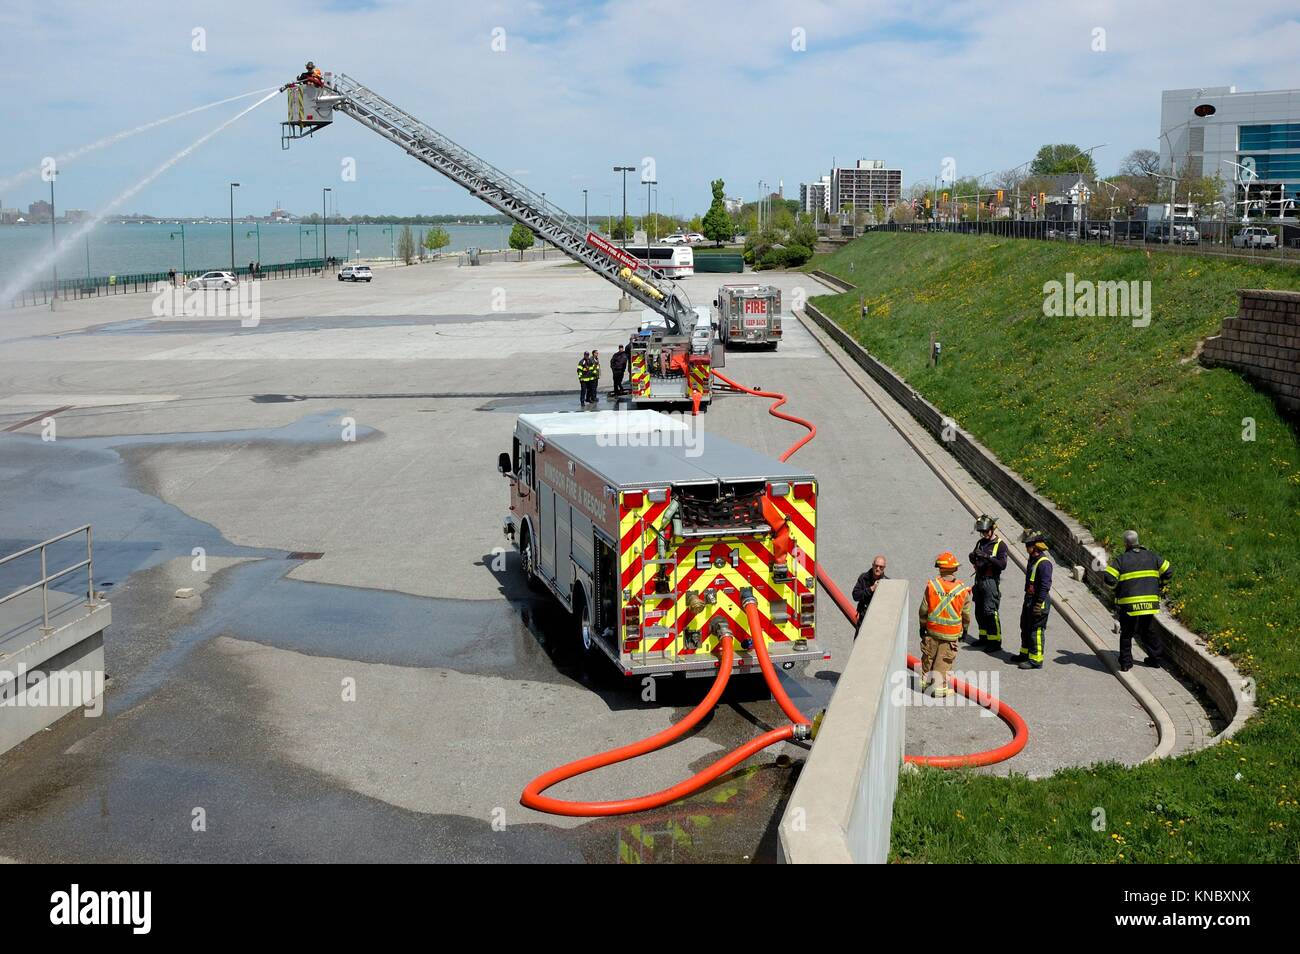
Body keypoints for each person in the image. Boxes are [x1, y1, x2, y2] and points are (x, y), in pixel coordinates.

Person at [1104, 530, 1173, 671]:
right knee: (1147, 630)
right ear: (1137, 541)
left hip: (1128, 605)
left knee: (1127, 633)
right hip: (1149, 603)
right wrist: (1161, 584)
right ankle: (1155, 659)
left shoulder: (1121, 559)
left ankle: (1125, 664)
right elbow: (1168, 571)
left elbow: (1108, 578)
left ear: (1126, 544)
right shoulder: (1152, 556)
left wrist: (1117, 589)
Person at [917, 552, 971, 697]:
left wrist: (923, 626)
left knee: (928, 657)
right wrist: (965, 629)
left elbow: (923, 609)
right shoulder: (962, 590)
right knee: (943, 662)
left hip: (932, 631)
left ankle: (924, 684)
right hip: (950, 635)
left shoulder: (932, 586)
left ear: (940, 568)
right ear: (955, 569)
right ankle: (939, 690)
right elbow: (966, 614)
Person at [968, 514, 1008, 650]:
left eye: (986, 531)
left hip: (990, 581)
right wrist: (973, 557)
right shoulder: (981, 543)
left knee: (990, 611)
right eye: (982, 532)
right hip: (979, 579)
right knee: (979, 611)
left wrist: (988, 557)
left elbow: (1002, 565)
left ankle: (995, 641)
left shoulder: (1000, 545)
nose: (984, 534)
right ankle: (983, 637)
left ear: (992, 529)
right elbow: (975, 557)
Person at [1016, 530, 1053, 669]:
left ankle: (1036, 660)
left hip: (1039, 602)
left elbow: (1045, 586)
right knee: (1025, 626)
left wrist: (1038, 604)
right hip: (1029, 599)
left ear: (1035, 547)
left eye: (1028, 545)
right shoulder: (1033, 559)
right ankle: (1025, 654)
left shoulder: (1044, 564)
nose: (1026, 548)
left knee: (1035, 630)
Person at [851, 555, 888, 626]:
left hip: (878, 621)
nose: (878, 568)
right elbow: (855, 596)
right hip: (863, 619)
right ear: (872, 565)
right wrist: (871, 589)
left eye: (881, 567)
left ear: (884, 568)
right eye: (876, 566)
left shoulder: (887, 583)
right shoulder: (863, 578)